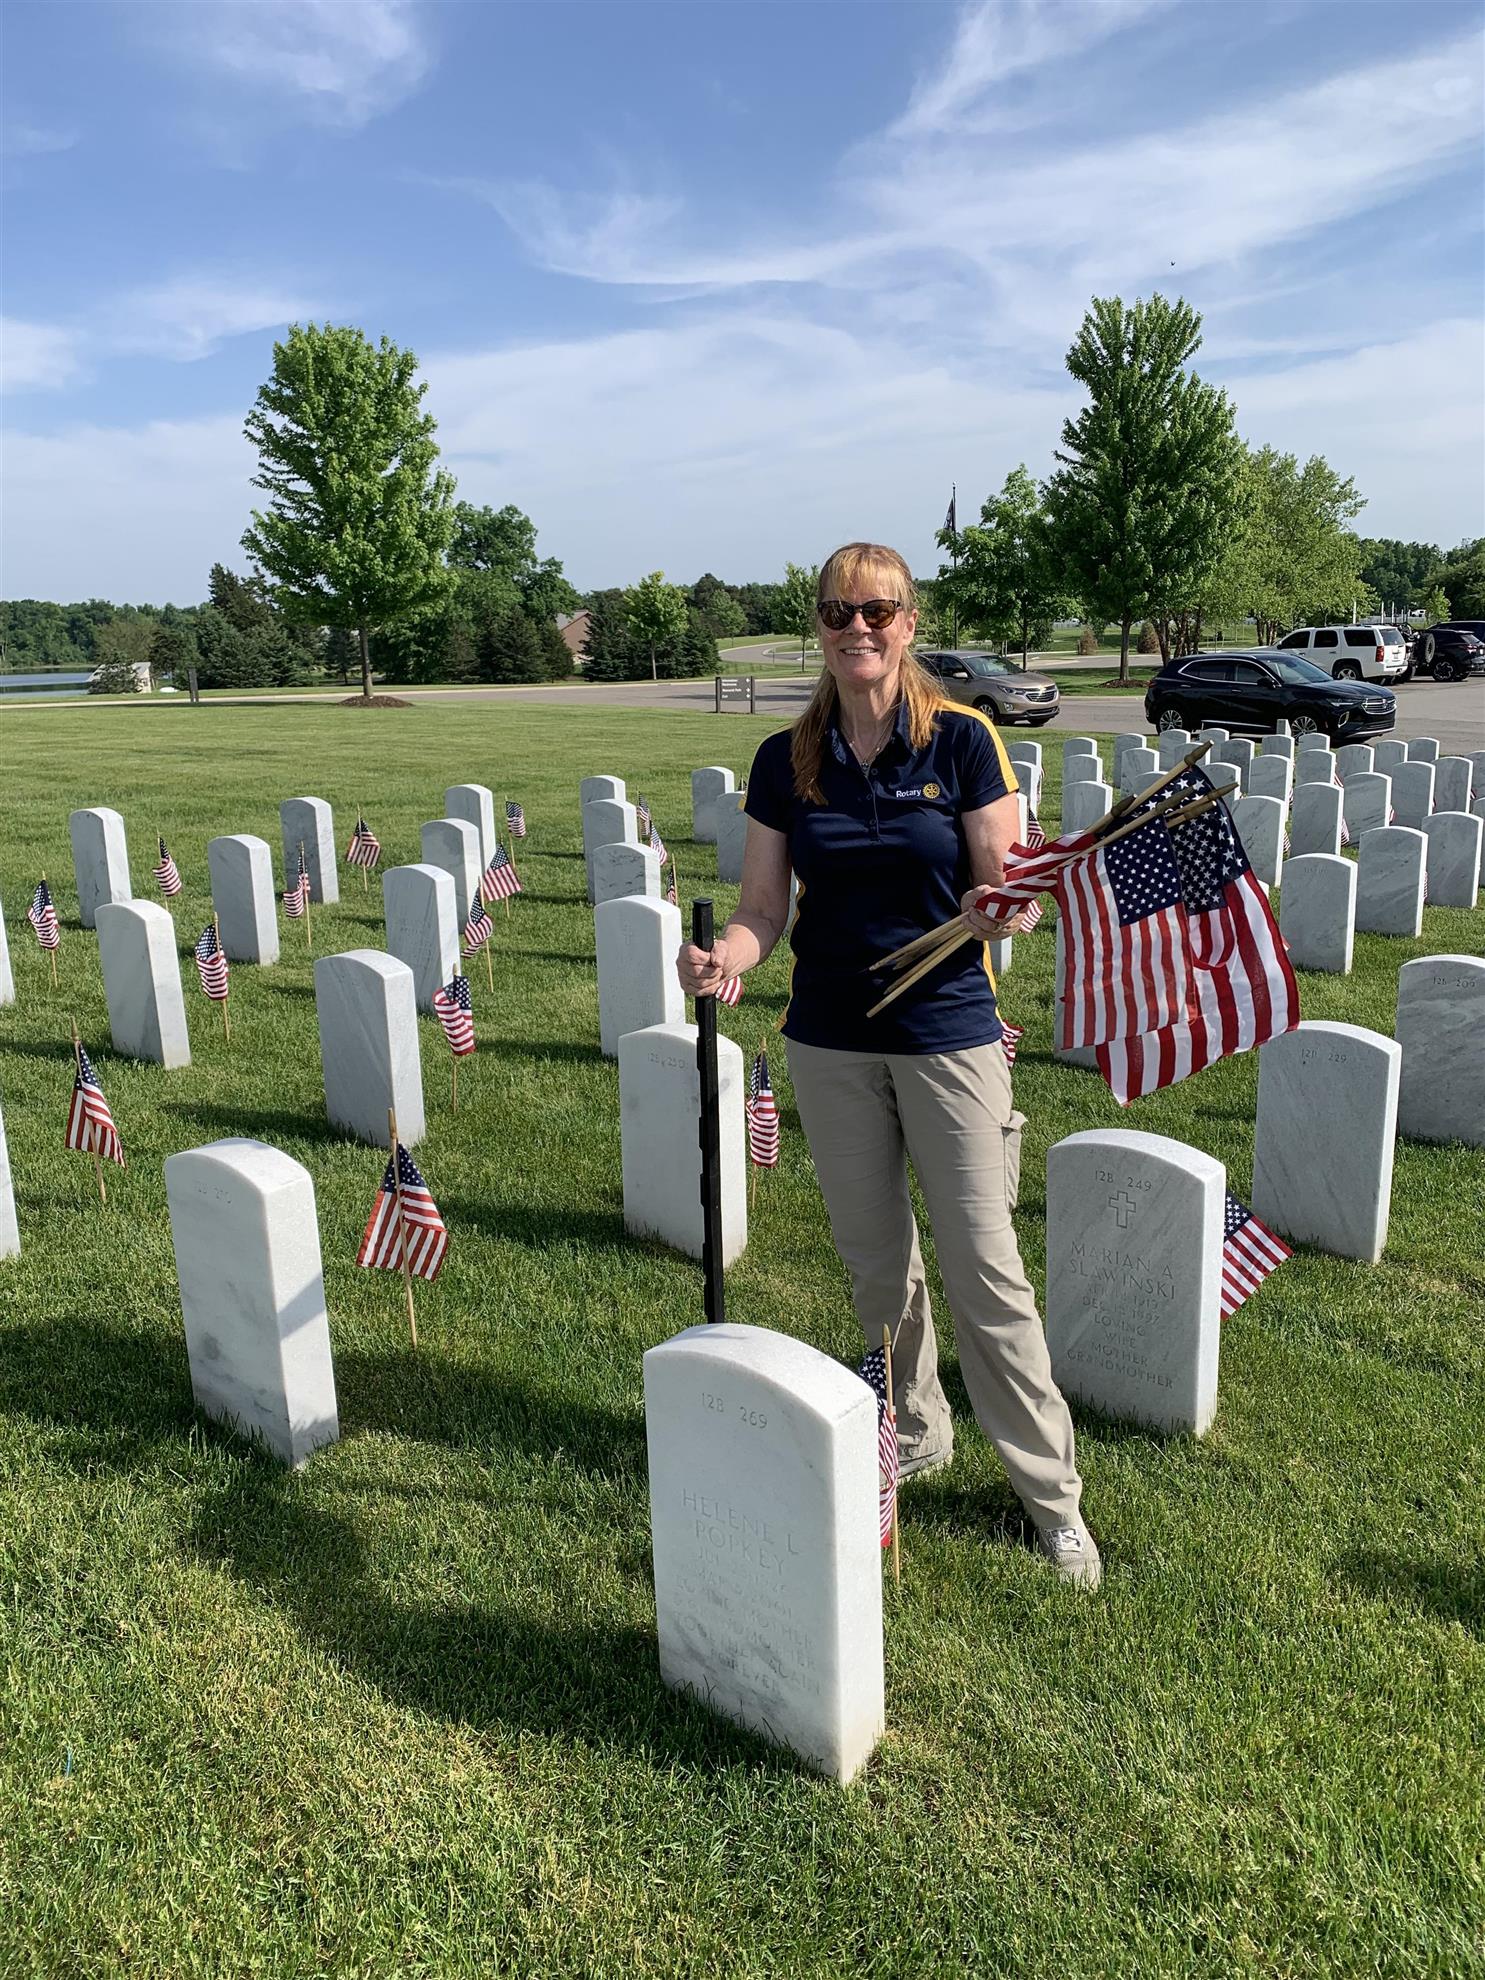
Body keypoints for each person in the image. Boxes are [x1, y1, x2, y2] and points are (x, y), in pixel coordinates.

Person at [677, 541, 1100, 1587]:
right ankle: (916, 1427)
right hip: (828, 1036)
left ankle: (1052, 1497)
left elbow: (1008, 889)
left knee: (984, 1270)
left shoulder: (962, 742)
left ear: (910, 624)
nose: (856, 629)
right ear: (818, 627)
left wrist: (1008, 905)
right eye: (836, 612)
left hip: (947, 1036)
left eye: (879, 611)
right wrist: (725, 957)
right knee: (877, 1264)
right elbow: (765, 910)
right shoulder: (789, 759)